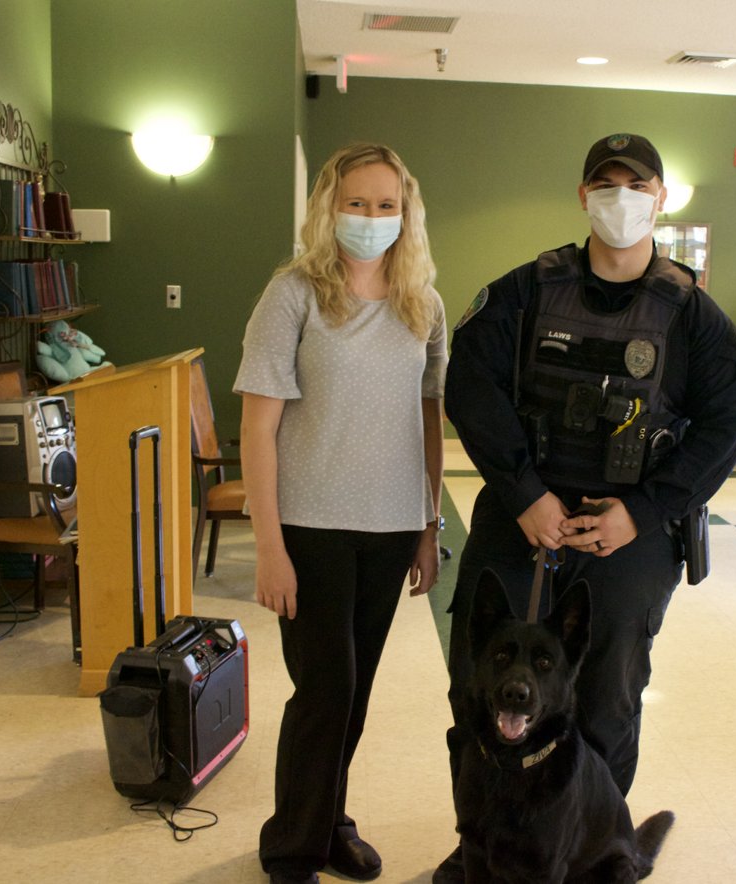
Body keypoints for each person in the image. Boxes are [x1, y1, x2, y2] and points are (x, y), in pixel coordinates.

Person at [434, 133, 736, 883]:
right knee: (481, 684)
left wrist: (644, 510)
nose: (621, 197)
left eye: (636, 183)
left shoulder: (691, 314)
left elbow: (730, 418)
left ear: (661, 197)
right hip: (525, 512)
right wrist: (523, 493)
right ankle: (478, 836)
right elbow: (470, 388)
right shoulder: (524, 291)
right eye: (605, 184)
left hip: (628, 527)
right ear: (583, 196)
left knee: (604, 692)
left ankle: (590, 848)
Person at [234, 142, 447, 884]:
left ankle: (327, 822)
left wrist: (428, 524)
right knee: (324, 691)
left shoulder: (425, 301)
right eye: (355, 202)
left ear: (406, 212)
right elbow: (257, 429)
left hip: (390, 528)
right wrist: (268, 548)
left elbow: (428, 418)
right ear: (329, 206)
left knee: (351, 694)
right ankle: (292, 844)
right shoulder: (293, 293)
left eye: (386, 204)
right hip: (310, 525)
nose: (370, 216)